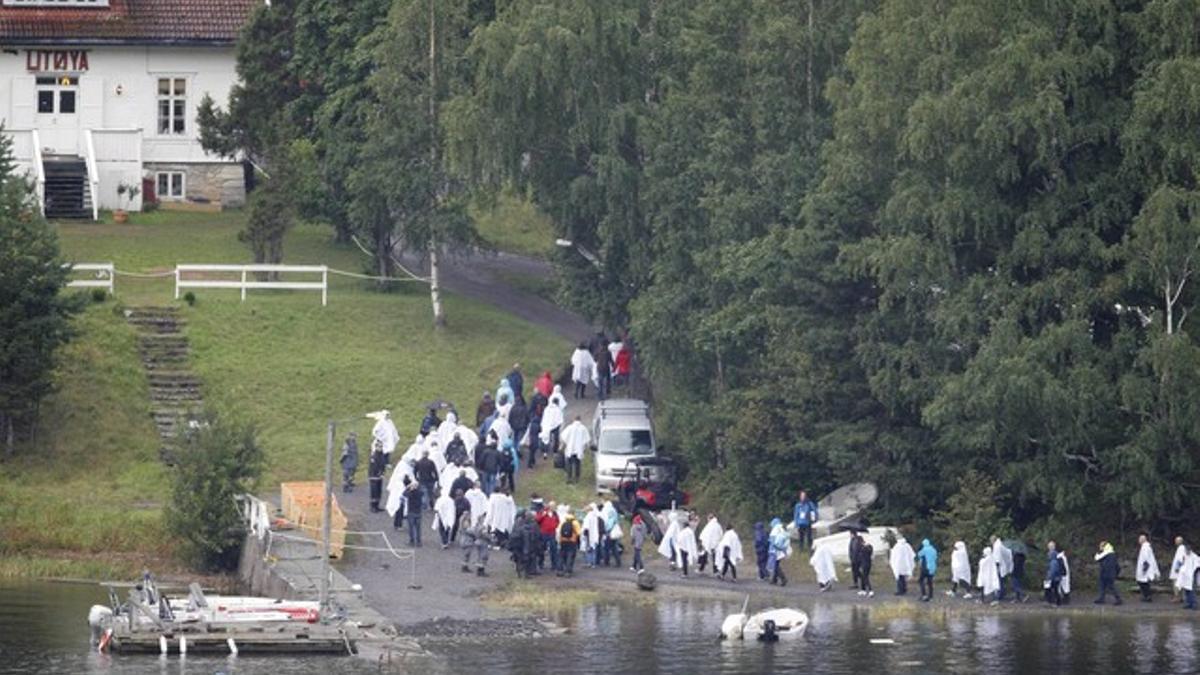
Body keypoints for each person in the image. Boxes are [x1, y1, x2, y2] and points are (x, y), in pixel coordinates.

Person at [385, 457, 416, 529]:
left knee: (400, 509)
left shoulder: (401, 470)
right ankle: (398, 524)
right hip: (401, 496)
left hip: (400, 495)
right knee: (400, 509)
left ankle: (398, 524)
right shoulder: (404, 473)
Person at [460, 507, 491, 577]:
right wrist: (491, 538)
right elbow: (481, 534)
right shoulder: (481, 527)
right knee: (483, 556)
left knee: (475, 555)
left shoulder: (476, 525)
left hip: (473, 541)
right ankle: (480, 570)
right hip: (473, 542)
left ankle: (467, 567)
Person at [561, 415, 590, 483]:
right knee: (577, 464)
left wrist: (562, 446)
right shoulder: (583, 428)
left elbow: (564, 437)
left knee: (569, 464)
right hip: (579, 450)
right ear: (580, 420)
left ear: (574, 419)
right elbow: (587, 439)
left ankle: (569, 478)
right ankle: (577, 478)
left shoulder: (570, 427)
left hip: (570, 449)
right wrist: (586, 448)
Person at [540, 386, 566, 462]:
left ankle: (545, 453)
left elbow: (544, 417)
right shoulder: (557, 409)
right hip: (555, 426)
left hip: (546, 425)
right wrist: (559, 424)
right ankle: (555, 452)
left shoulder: (547, 408)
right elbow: (560, 419)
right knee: (556, 438)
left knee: (546, 438)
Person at [1093, 541, 1122, 605]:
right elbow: (1117, 565)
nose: (1099, 547)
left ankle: (1118, 599)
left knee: (1110, 587)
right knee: (1103, 586)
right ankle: (1101, 598)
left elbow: (1097, 558)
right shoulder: (1112, 554)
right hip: (1108, 573)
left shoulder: (1105, 554)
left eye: (1101, 546)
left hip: (1107, 573)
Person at [535, 501, 560, 572]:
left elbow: (558, 521)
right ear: (549, 506)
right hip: (543, 533)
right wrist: (543, 514)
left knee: (554, 549)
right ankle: (540, 563)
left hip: (552, 533)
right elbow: (537, 519)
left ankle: (554, 565)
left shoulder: (555, 514)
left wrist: (554, 526)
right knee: (542, 549)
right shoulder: (543, 512)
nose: (553, 507)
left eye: (554, 506)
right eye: (552, 506)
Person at [558, 507, 583, 577]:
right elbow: (579, 533)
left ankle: (560, 570)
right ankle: (568, 571)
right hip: (572, 541)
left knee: (562, 555)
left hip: (563, 540)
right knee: (570, 555)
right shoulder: (575, 522)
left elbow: (559, 531)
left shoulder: (563, 520)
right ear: (573, 513)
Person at [1136, 534, 1161, 603]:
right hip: (1145, 568)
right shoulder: (1146, 547)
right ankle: (1146, 596)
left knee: (1144, 583)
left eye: (1139, 539)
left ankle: (1147, 596)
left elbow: (1146, 558)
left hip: (1145, 569)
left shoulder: (1145, 547)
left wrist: (1144, 568)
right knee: (1144, 582)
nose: (1138, 541)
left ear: (1143, 540)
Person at [768, 518, 791, 586]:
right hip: (782, 550)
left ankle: (783, 578)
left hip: (775, 550)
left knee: (775, 566)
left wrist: (771, 550)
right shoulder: (782, 529)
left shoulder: (775, 530)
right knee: (776, 564)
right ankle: (774, 579)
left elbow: (772, 541)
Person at [367, 439, 387, 513]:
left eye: (381, 446)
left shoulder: (381, 455)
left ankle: (377, 506)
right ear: (376, 447)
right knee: (374, 492)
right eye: (379, 446)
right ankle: (373, 507)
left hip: (379, 477)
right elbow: (374, 467)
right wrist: (379, 473)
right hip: (374, 477)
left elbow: (383, 465)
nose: (380, 448)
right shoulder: (374, 456)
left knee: (379, 492)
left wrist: (383, 473)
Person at [992, 536, 1014, 601]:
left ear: (993, 540)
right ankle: (1003, 592)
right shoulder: (1000, 545)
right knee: (1001, 580)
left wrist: (997, 567)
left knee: (1000, 581)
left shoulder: (997, 546)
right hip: (1004, 565)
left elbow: (997, 558)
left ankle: (1000, 594)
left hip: (1001, 566)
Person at [1179, 545, 1199, 610]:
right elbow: (1183, 564)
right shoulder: (1185, 556)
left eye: (1187, 550)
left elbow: (1197, 566)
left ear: (1190, 550)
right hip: (1186, 576)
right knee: (1186, 589)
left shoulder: (1194, 556)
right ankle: (1188, 603)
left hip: (1192, 576)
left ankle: (1194, 604)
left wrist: (1193, 574)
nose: (1186, 552)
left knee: (1192, 590)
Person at [1045, 542, 1065, 606]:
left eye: (1051, 546)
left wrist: (1049, 577)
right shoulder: (1057, 555)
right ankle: (1057, 602)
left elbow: (1053, 570)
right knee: (1055, 590)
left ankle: (1053, 602)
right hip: (1057, 577)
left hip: (1054, 577)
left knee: (1051, 589)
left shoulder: (1053, 559)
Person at [403, 481, 423, 546]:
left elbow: (404, 494)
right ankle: (418, 541)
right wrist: (417, 486)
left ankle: (412, 541)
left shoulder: (410, 493)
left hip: (411, 512)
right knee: (418, 528)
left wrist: (408, 487)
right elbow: (422, 492)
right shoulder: (420, 493)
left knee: (411, 528)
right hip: (418, 512)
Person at [1171, 536, 1187, 602]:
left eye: (1176, 540)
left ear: (1180, 541)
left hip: (1178, 570)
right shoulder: (1182, 548)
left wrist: (1177, 568)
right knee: (1181, 584)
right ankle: (1182, 597)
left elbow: (1180, 559)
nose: (1175, 542)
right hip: (1180, 569)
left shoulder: (1181, 548)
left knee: (1176, 584)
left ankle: (1177, 597)